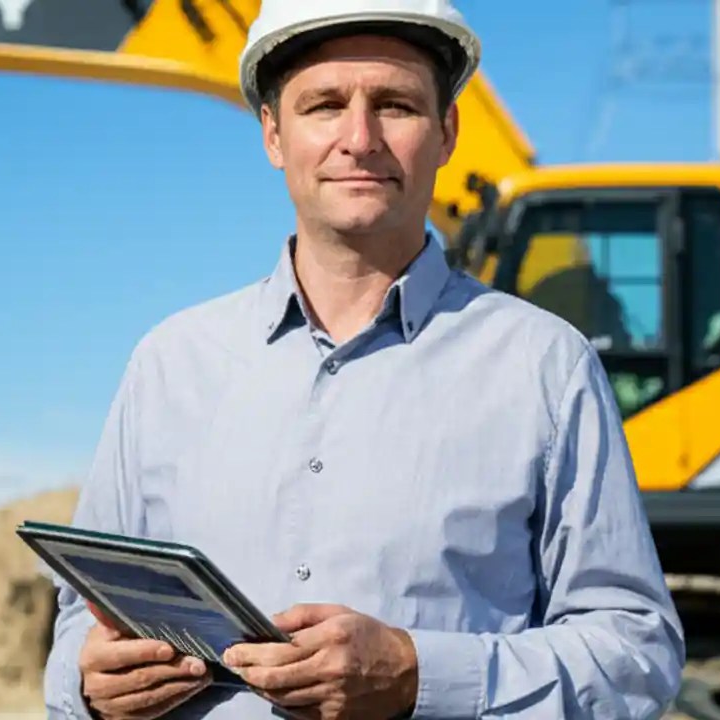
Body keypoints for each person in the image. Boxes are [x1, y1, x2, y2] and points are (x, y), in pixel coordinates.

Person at [42, 0, 686, 717]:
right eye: (323, 105)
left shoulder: (545, 368)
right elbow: (81, 622)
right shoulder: (169, 364)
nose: (359, 138)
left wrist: (419, 674)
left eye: (395, 105)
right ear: (273, 136)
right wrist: (88, 684)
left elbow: (636, 654)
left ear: (446, 134)